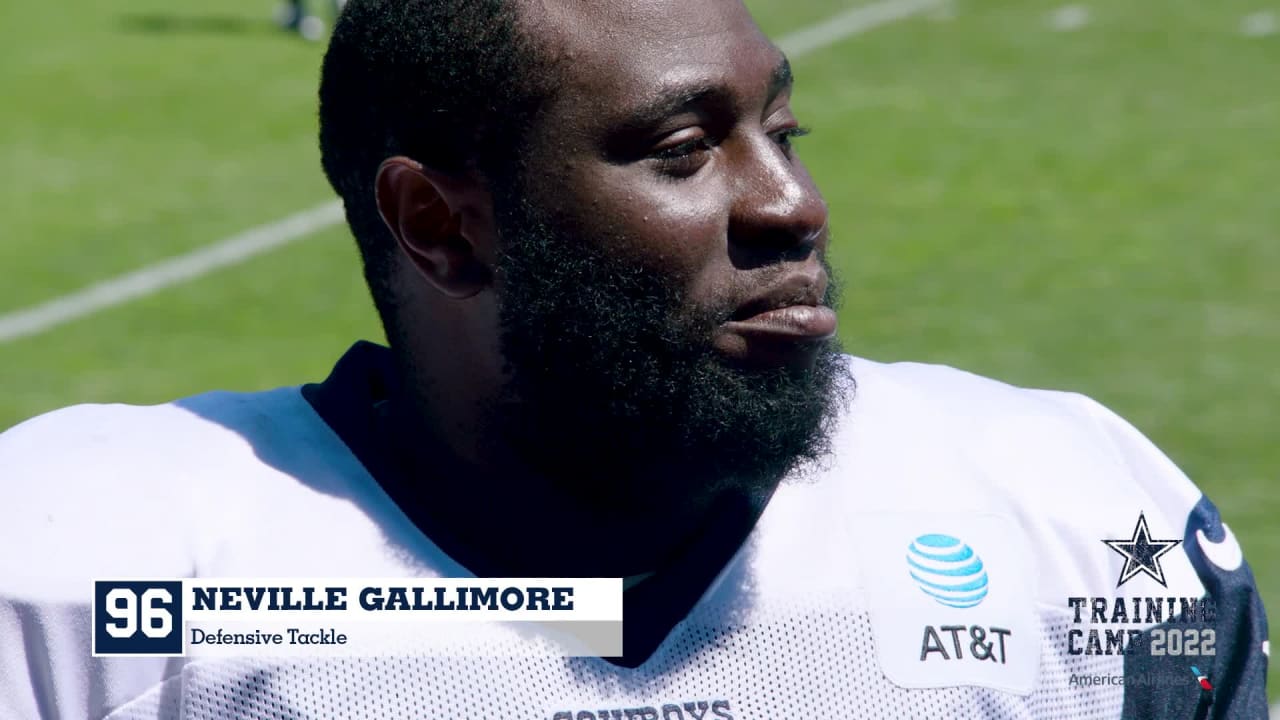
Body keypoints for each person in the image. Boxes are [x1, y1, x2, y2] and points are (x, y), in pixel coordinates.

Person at [0, 0, 1270, 717]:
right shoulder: (97, 576)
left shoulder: (1074, 520)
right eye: (681, 149)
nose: (791, 202)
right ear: (439, 224)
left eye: (784, 128)